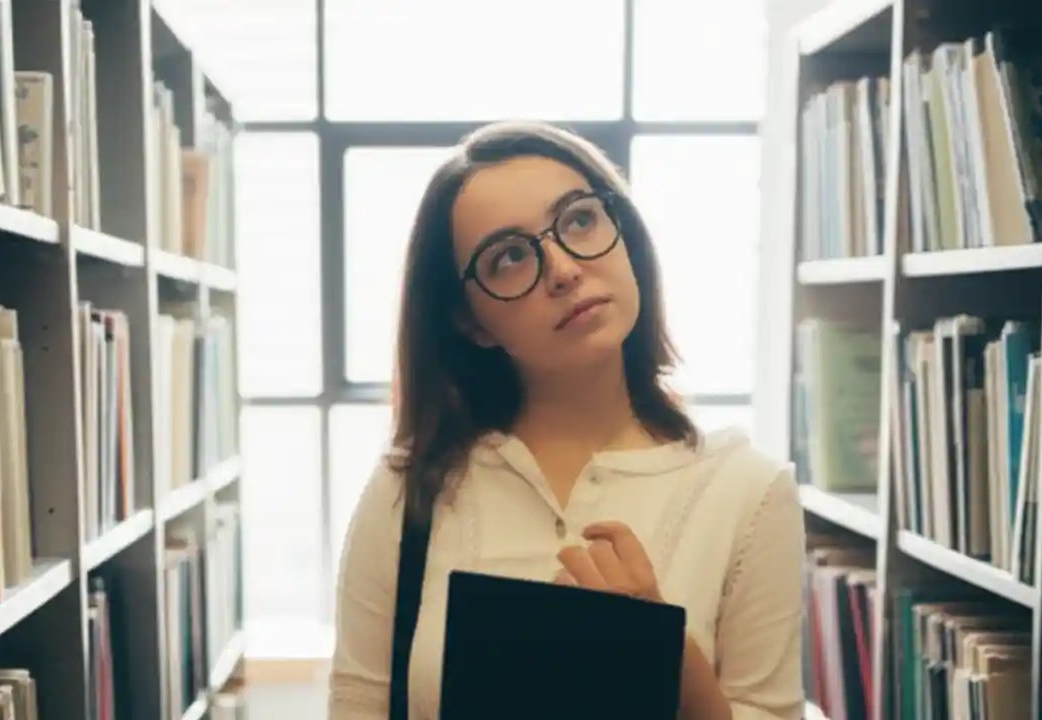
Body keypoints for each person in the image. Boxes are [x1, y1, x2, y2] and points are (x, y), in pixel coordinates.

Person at [329, 121, 806, 720]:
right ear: (470, 322)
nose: (563, 269)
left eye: (580, 220)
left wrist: (664, 651)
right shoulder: (407, 489)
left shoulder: (749, 490)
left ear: (624, 235)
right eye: (508, 257)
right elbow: (358, 703)